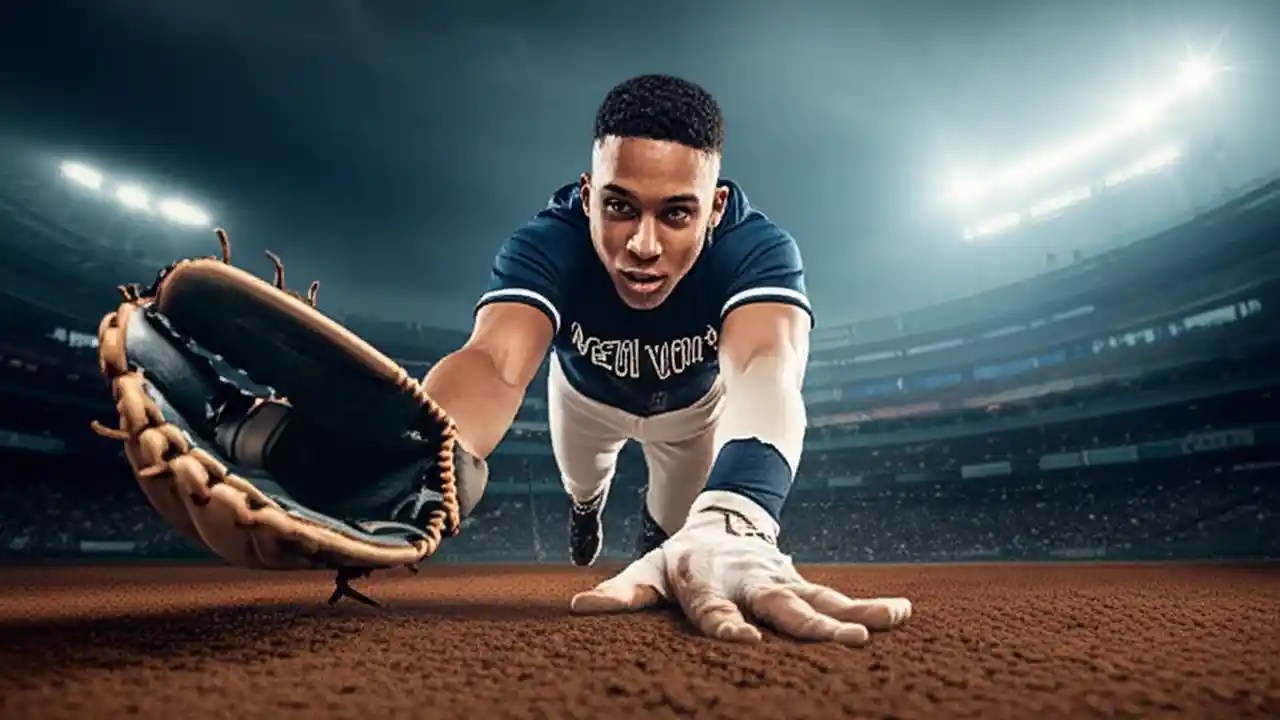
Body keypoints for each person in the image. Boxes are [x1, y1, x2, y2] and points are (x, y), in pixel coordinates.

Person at [421, 74, 911, 645]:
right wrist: (425, 450)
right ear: (587, 197)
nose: (643, 246)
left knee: (680, 541)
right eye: (619, 207)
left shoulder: (755, 249)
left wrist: (740, 513)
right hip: (585, 401)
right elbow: (495, 361)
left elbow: (766, 366)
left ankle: (652, 545)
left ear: (714, 207)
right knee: (583, 481)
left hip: (690, 415)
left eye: (676, 214)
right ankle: (586, 511)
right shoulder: (549, 241)